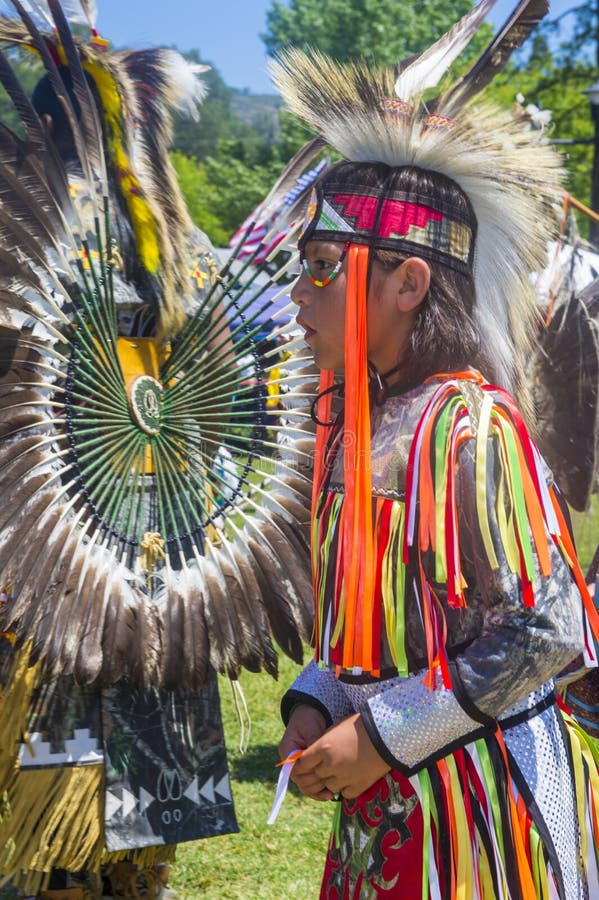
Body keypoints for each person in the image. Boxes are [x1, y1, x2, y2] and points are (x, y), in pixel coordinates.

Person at [272, 6, 599, 898]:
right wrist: (322, 697)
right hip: (399, 814)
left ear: (407, 282)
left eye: (322, 268)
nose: (300, 295)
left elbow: (543, 633)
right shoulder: (362, 422)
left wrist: (380, 736)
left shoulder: (469, 428)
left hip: (485, 820)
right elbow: (390, 619)